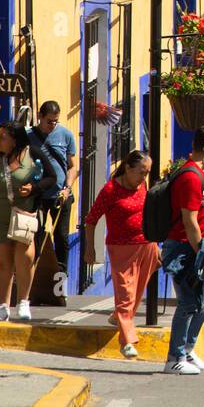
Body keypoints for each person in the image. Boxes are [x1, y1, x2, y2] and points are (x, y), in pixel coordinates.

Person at [83, 150, 159, 358]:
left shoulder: (142, 186)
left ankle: (118, 316)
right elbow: (91, 220)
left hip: (147, 246)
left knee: (136, 295)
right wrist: (91, 248)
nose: (144, 177)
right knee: (126, 294)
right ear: (128, 168)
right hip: (121, 249)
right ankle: (126, 340)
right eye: (142, 172)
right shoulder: (110, 190)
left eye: (147, 173)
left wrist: (156, 245)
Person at [159, 126, 204, 375]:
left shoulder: (200, 173)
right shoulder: (190, 177)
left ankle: (186, 348)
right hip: (185, 248)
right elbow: (189, 220)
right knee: (188, 302)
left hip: (196, 245)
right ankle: (174, 358)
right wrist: (200, 252)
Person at [27, 100, 79, 294]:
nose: (52, 125)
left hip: (60, 195)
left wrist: (67, 188)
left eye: (55, 121)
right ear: (40, 117)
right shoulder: (28, 136)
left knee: (62, 238)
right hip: (38, 195)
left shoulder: (65, 135)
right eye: (49, 121)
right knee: (36, 235)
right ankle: (33, 280)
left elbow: (73, 166)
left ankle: (60, 286)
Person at [0, 121, 38, 322]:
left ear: (15, 141)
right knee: (3, 262)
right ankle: (3, 306)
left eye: (3, 136)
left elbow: (53, 177)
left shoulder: (33, 153)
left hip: (23, 215)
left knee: (24, 260)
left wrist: (34, 188)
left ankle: (24, 302)